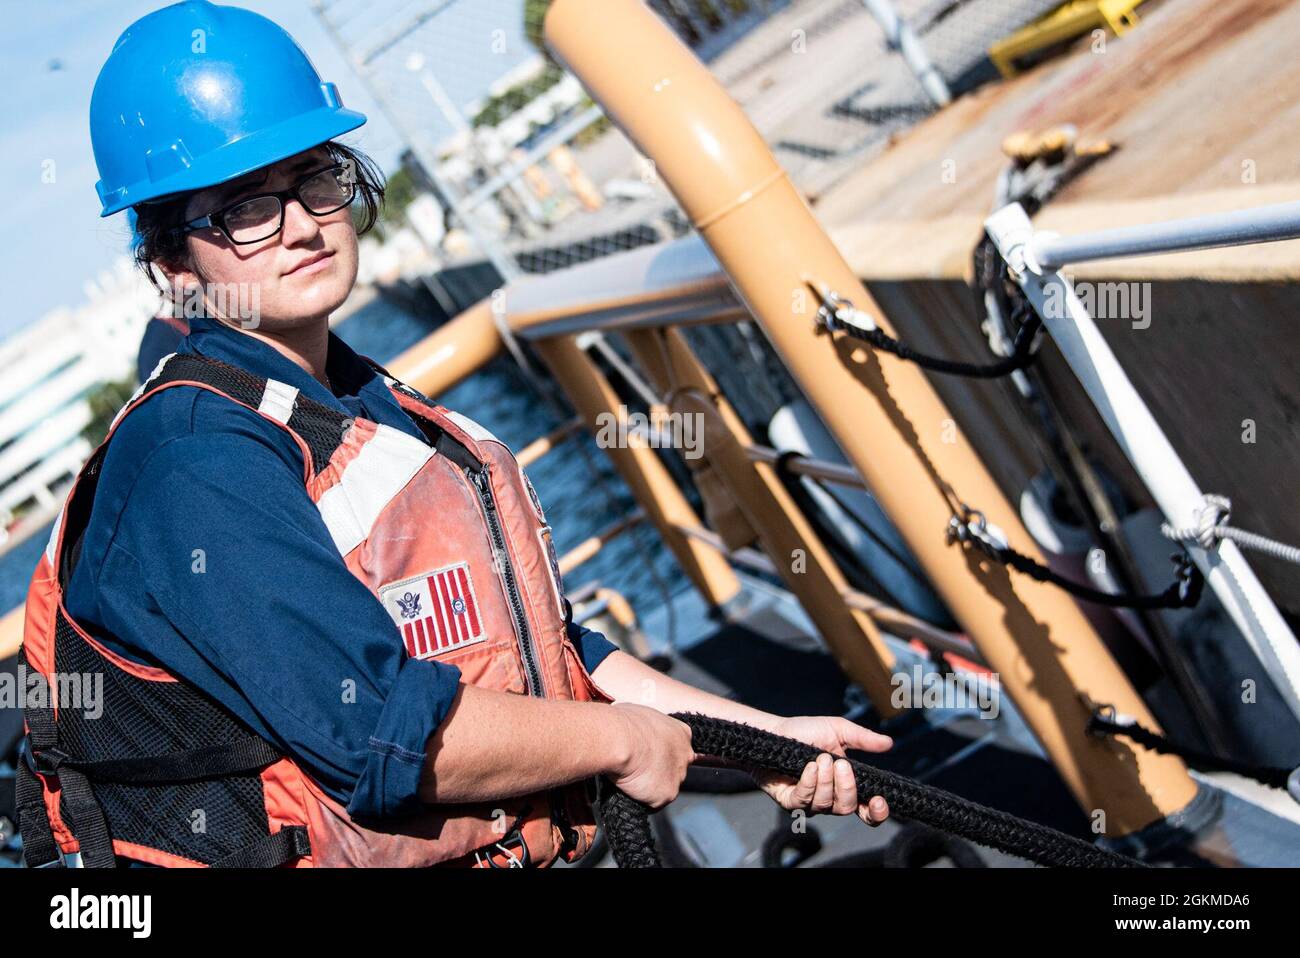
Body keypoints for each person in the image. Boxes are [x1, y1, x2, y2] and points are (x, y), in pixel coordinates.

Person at [17, 0, 890, 869]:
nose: (302, 224)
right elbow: (379, 732)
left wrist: (764, 743)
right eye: (247, 209)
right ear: (174, 263)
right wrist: (622, 742)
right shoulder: (195, 461)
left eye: (315, 176)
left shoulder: (354, 400)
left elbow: (542, 653)